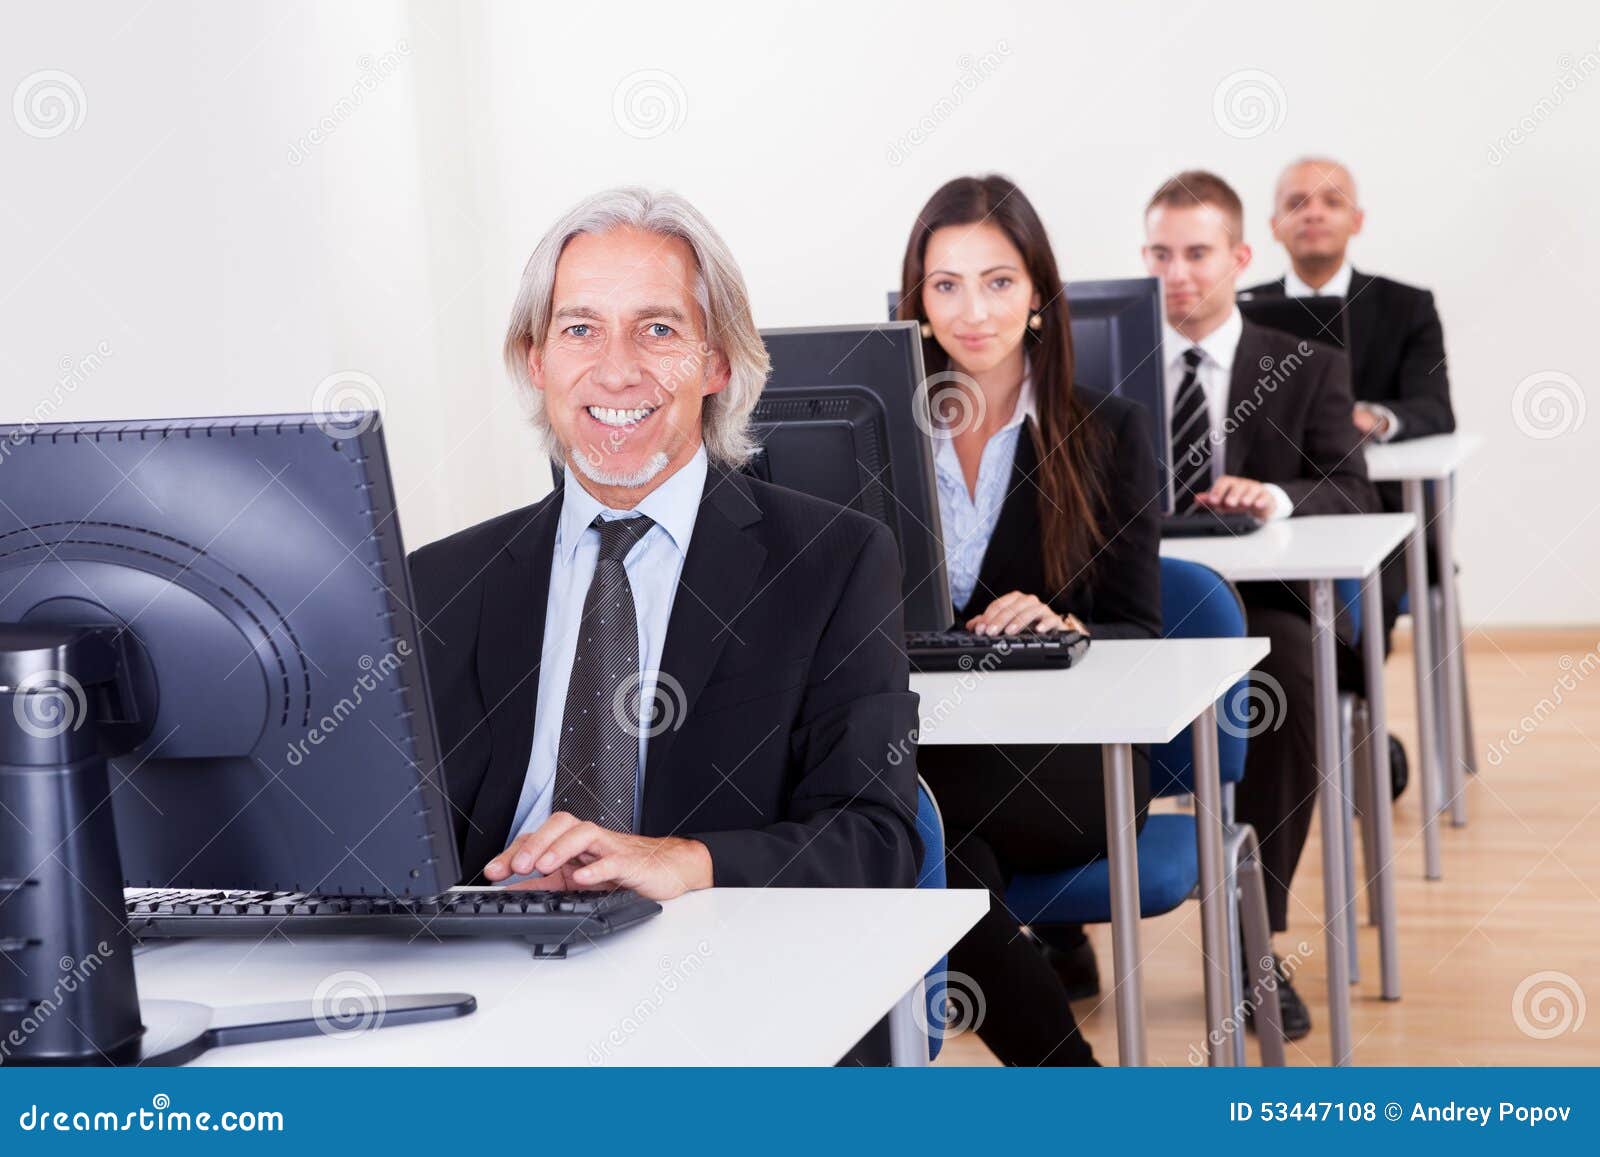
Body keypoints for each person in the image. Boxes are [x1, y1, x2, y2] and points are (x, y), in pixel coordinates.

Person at [409, 187, 921, 910]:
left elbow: (877, 842)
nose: (617, 371)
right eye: (581, 329)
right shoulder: (439, 583)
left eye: (657, 329)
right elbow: (385, 840)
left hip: (714, 972)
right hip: (486, 976)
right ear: (537, 362)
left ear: (716, 364)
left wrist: (687, 862)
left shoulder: (836, 562)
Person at [900, 174, 1163, 1066]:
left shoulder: (1108, 432)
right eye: (946, 284)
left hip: (1073, 759)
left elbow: (1140, 628)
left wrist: (1064, 625)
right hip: (938, 746)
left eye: (998, 280)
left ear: (1041, 297)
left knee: (912, 835)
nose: (972, 309)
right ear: (918, 299)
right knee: (946, 854)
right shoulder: (881, 430)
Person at [1141, 170, 1377, 1040]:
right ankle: (1058, 929)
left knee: (1291, 668)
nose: (1179, 273)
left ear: (1239, 256)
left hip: (1263, 598)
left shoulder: (1307, 364)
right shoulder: (1109, 367)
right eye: (1161, 254)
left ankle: (1255, 932)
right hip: (1140, 598)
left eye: (1198, 253)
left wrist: (1276, 497)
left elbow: (1351, 493)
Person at [1242, 156, 1455, 638]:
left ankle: (1350, 704)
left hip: (1379, 508)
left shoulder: (1408, 305)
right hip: (1270, 507)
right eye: (1297, 203)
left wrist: (1371, 419)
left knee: (1360, 603)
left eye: (1332, 202)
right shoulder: (1242, 312)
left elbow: (1436, 409)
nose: (1313, 213)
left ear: (1356, 220)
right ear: (1275, 227)